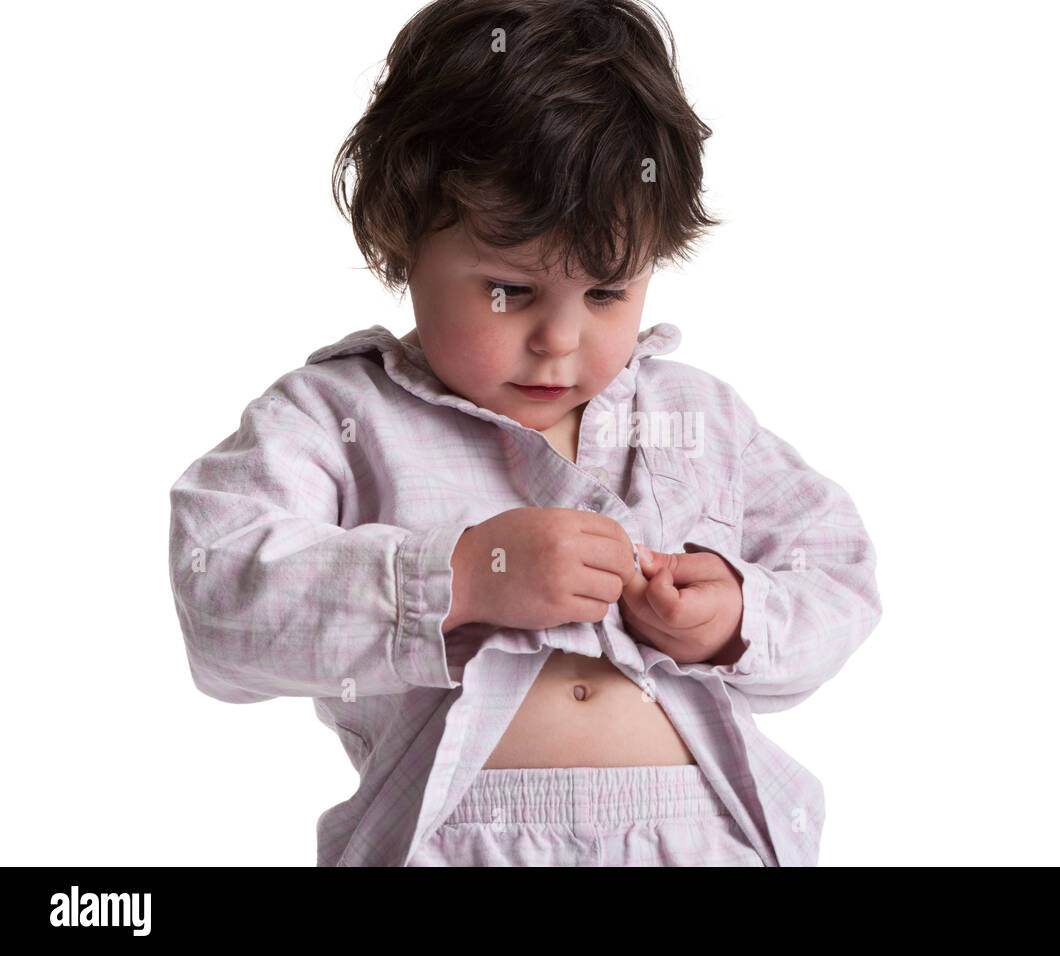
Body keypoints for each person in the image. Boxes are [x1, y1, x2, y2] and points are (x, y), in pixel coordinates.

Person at [168, 0, 882, 866]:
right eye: (509, 291)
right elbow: (219, 599)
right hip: (458, 843)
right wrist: (461, 578)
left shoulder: (696, 419)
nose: (561, 339)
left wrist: (736, 616)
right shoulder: (339, 417)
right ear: (402, 238)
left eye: (608, 293)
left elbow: (838, 571)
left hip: (703, 839)